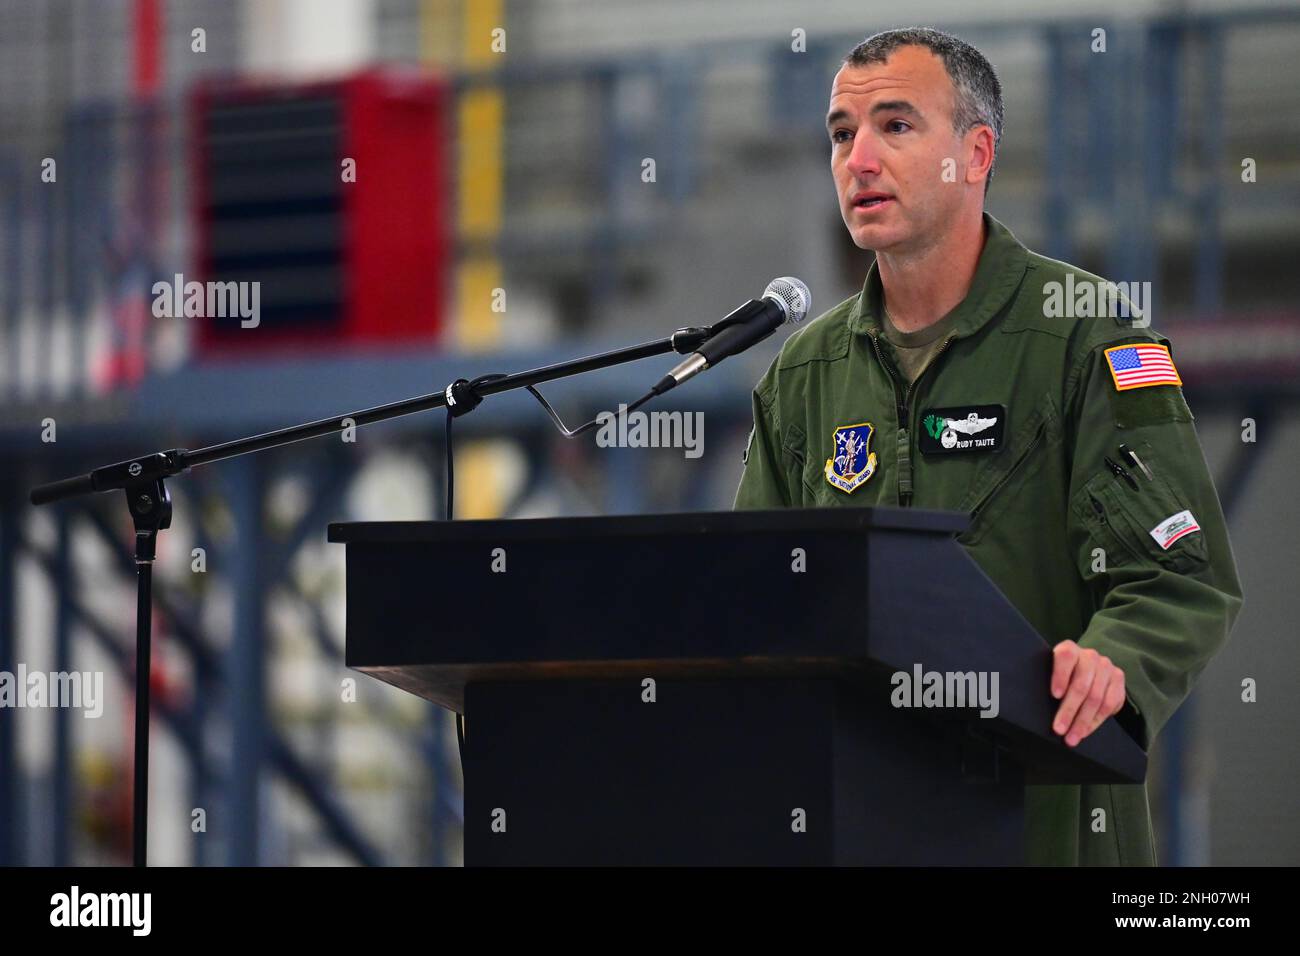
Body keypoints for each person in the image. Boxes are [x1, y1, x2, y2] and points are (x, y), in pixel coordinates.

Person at [733, 27, 1243, 865]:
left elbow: (1180, 577)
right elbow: (760, 604)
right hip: (859, 823)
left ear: (975, 153)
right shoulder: (805, 372)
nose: (858, 158)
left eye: (895, 126)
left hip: (1043, 828)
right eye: (840, 134)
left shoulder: (1085, 334)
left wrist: (1112, 661)